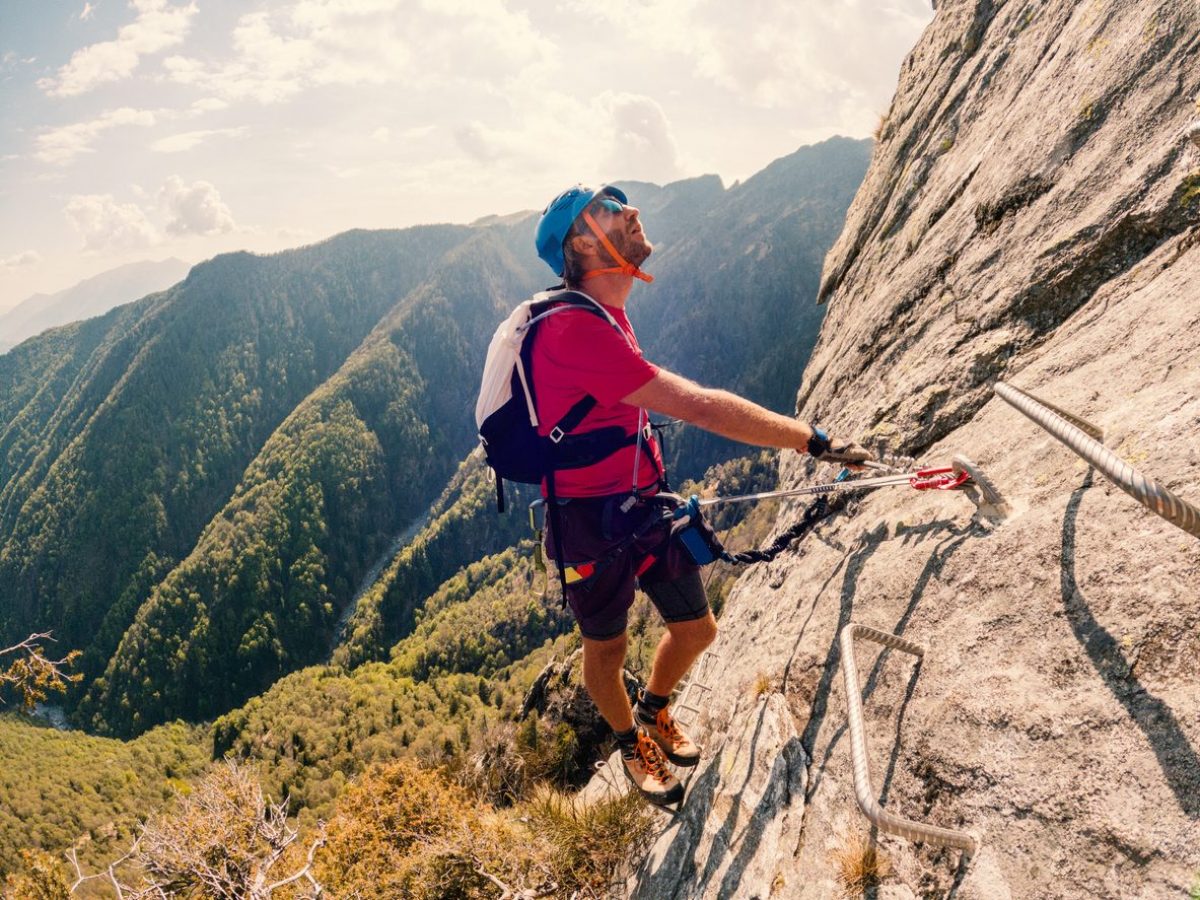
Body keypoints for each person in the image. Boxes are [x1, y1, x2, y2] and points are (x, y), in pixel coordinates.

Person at [530, 183, 866, 805]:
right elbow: (698, 407)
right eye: (608, 209)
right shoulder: (575, 334)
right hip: (586, 525)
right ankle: (631, 743)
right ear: (581, 244)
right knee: (606, 648)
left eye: (623, 201)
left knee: (697, 629)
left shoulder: (610, 313)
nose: (630, 211)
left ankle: (655, 707)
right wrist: (810, 440)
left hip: (643, 503)